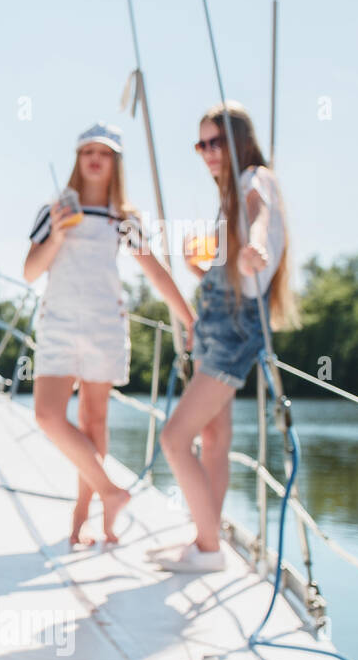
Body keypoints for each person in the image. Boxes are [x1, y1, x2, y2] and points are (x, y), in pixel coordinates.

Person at [24, 123, 195, 546]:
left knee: (94, 420)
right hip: (59, 322)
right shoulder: (54, 211)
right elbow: (30, 272)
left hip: (104, 324)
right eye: (87, 152)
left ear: (115, 163)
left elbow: (155, 271)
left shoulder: (125, 219)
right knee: (47, 414)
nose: (95, 159)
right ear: (78, 160)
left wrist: (189, 319)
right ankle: (110, 492)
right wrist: (60, 233)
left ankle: (88, 517)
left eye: (104, 153)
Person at [154, 102, 296, 573]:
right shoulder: (229, 193)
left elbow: (257, 213)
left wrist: (255, 245)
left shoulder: (255, 179)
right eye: (201, 144)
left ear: (241, 142)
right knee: (213, 437)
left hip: (233, 326)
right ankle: (205, 538)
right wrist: (207, 266)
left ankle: (210, 549)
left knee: (175, 439)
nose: (208, 152)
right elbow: (232, 257)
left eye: (216, 142)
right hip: (216, 321)